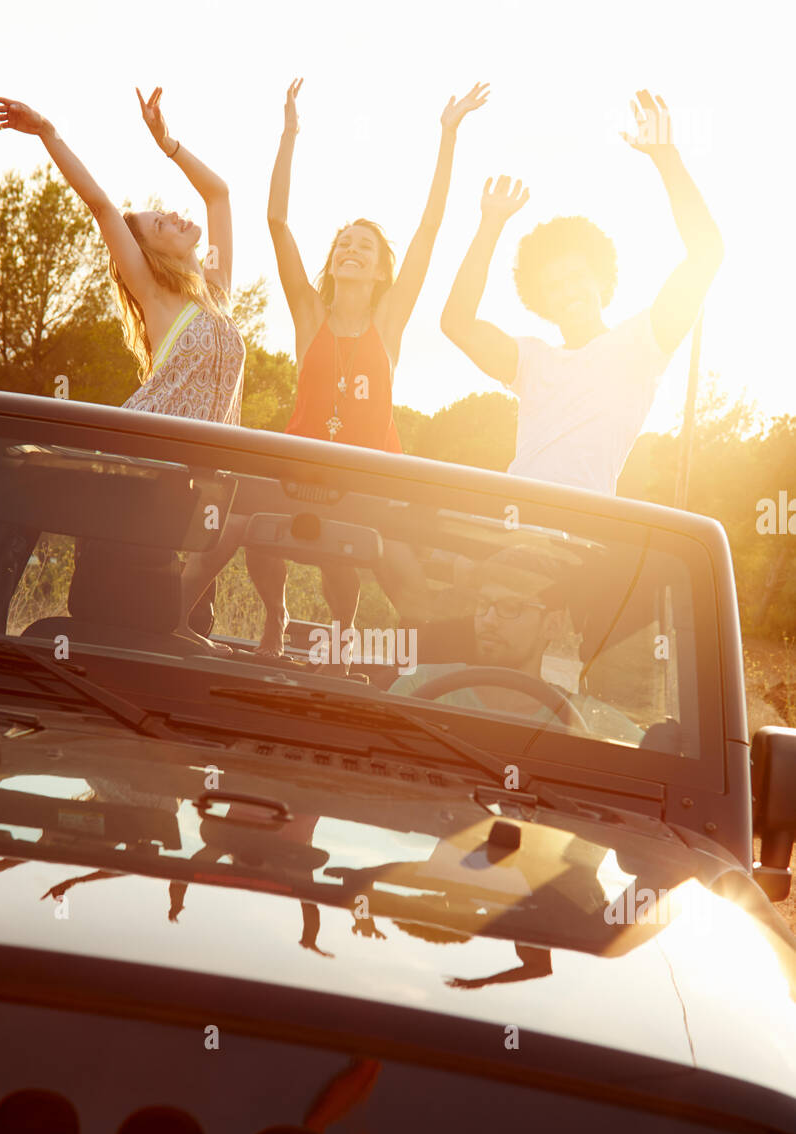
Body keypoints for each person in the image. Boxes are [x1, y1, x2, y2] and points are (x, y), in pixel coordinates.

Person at [0, 87, 245, 652]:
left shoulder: (218, 293)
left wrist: (168, 144)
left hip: (192, 480)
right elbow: (103, 206)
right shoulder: (156, 295)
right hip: (141, 470)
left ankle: (178, 628)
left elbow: (219, 195)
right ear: (151, 253)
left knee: (189, 573)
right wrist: (50, 133)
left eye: (167, 211)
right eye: (160, 222)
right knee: (135, 607)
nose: (175, 215)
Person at [252, 76, 489, 655]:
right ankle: (274, 616)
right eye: (342, 244)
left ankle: (346, 636)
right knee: (252, 528)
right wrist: (288, 135)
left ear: (382, 270)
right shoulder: (309, 315)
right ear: (332, 264)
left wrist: (448, 135)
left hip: (369, 478)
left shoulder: (389, 324)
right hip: (302, 468)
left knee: (346, 559)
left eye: (365, 245)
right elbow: (278, 224)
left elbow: (428, 230)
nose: (350, 249)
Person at [440, 91, 724, 496]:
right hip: (512, 518)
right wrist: (490, 225)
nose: (567, 291)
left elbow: (707, 252)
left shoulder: (641, 344)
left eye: (575, 277)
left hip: (578, 538)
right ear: (542, 302)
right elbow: (456, 324)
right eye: (553, 286)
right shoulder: (531, 361)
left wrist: (666, 156)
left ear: (601, 281)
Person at [389, 554, 643, 742]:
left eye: (511, 607)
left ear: (552, 625)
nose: (487, 619)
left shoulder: (587, 719)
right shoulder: (419, 685)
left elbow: (652, 757)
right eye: (483, 604)